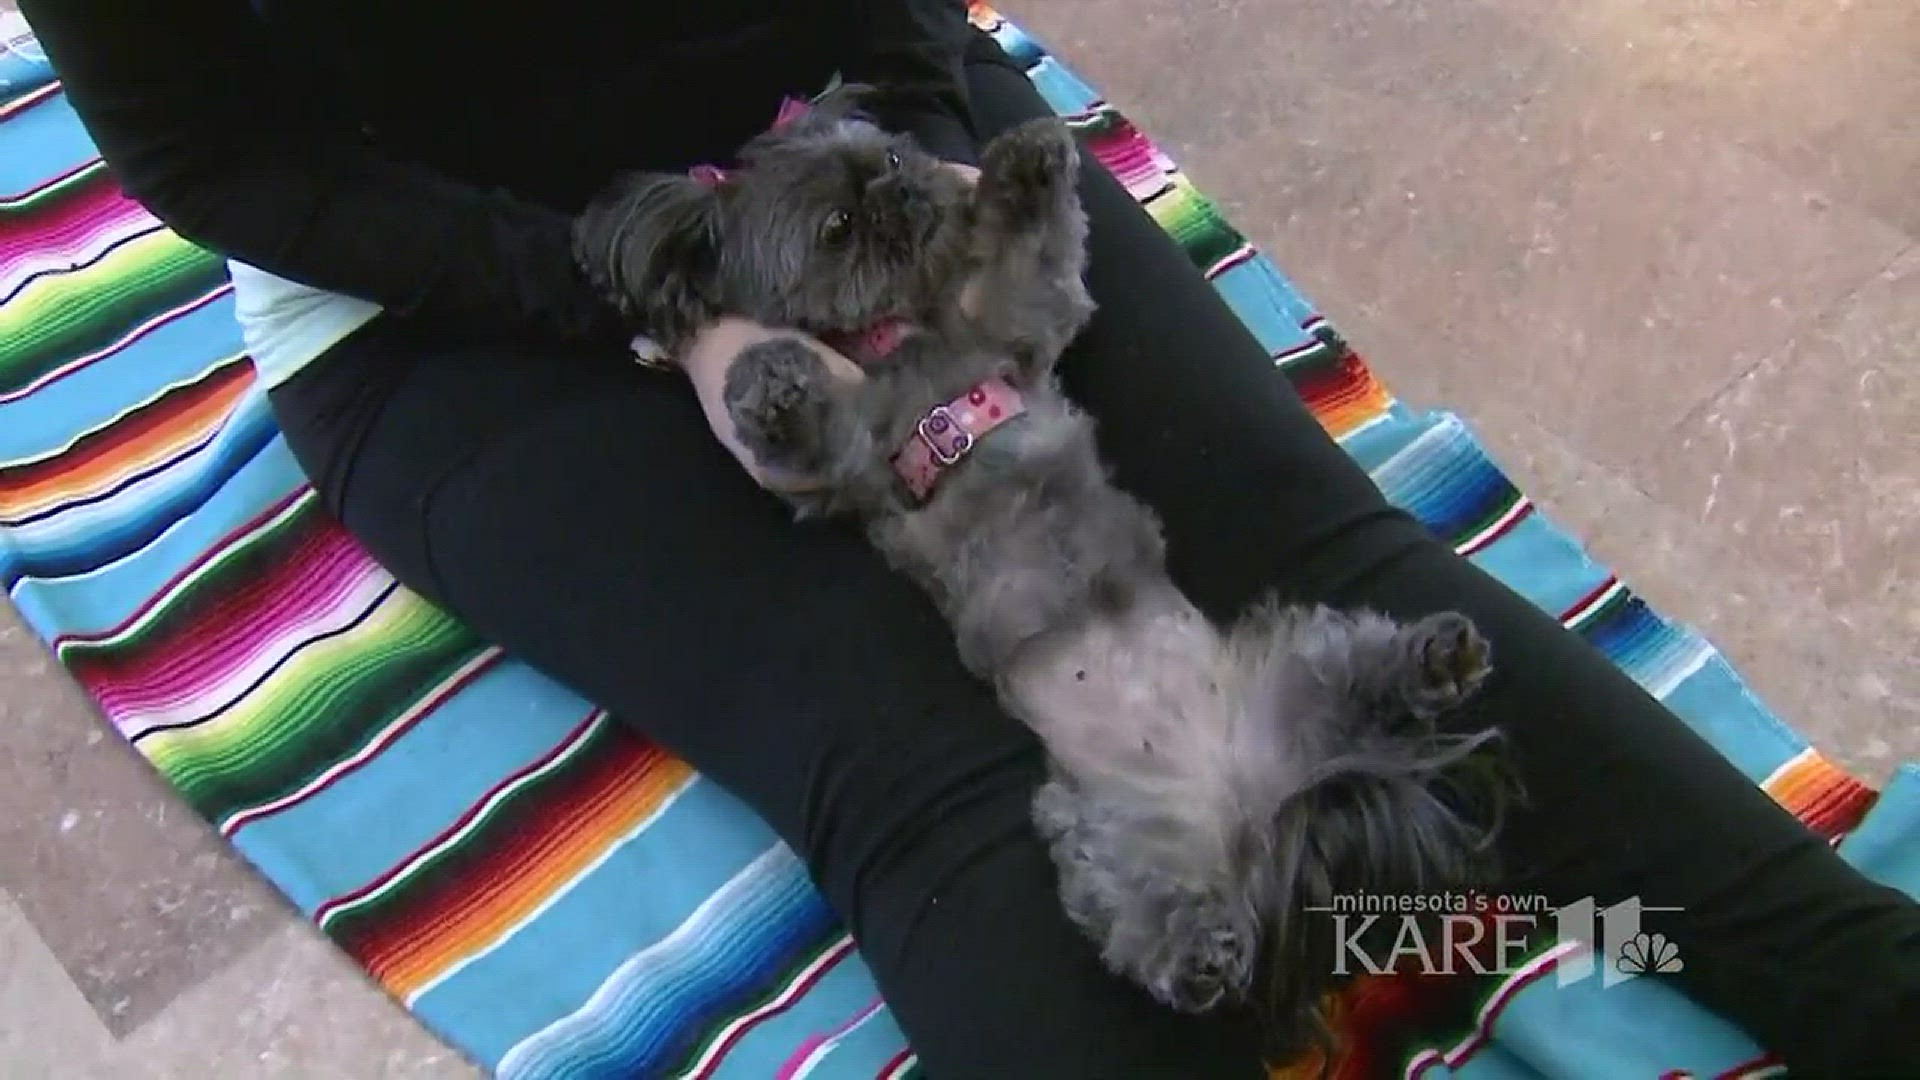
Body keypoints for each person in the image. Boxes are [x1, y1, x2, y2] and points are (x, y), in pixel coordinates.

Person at [24, 2, 1919, 1076]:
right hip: (462, 291)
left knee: (1320, 560)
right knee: (932, 781)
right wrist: (666, 301)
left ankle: (1861, 983)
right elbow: (234, 167)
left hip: (831, 92)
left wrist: (922, 149)